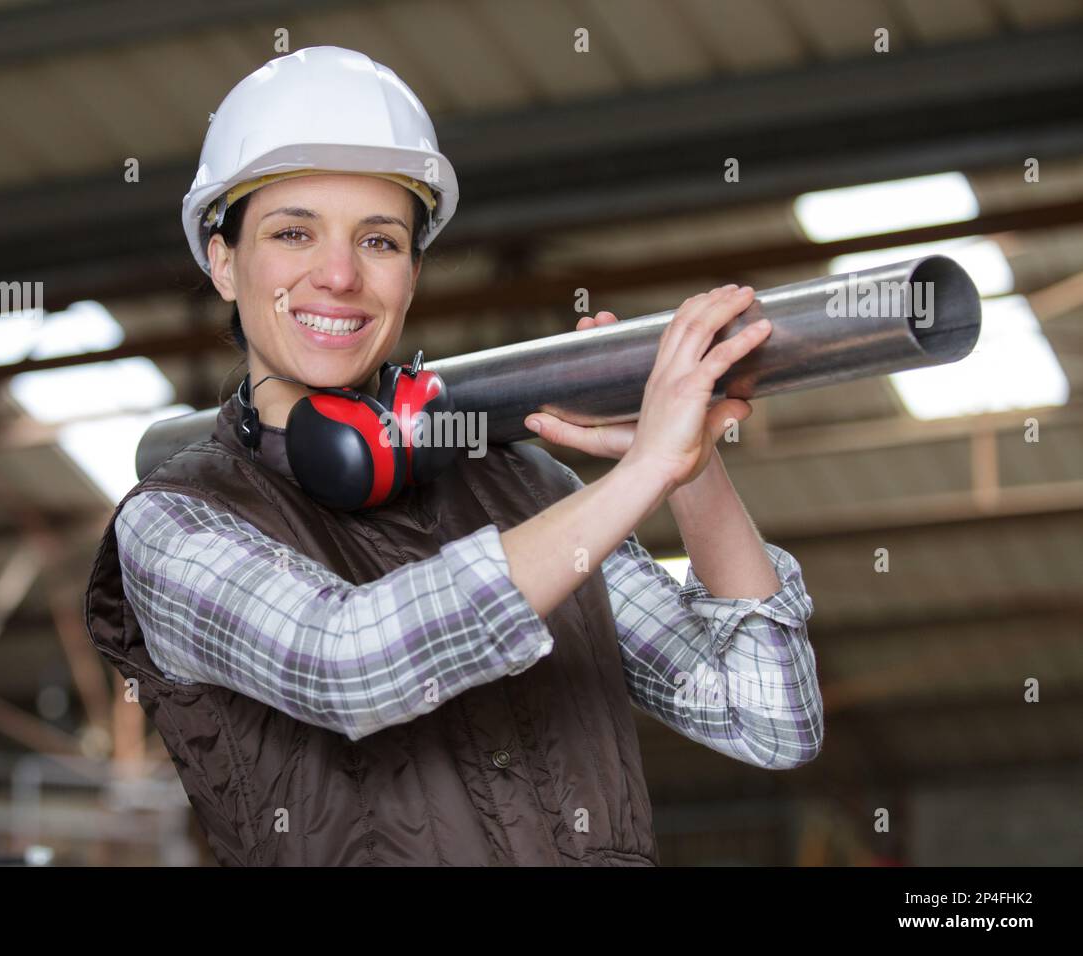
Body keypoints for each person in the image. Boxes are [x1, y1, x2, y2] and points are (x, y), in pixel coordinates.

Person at [85, 46, 822, 866]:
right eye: (293, 233)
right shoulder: (176, 522)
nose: (338, 274)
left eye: (379, 241)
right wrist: (642, 471)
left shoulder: (531, 489)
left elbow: (769, 722)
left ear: (412, 271)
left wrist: (690, 463)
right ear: (222, 262)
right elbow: (349, 664)